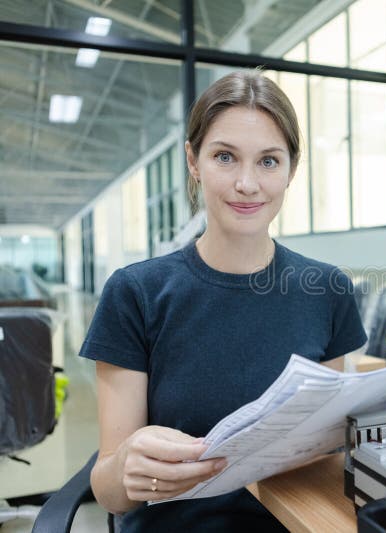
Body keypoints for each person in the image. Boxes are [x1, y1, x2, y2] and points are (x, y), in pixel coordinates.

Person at [79, 70, 368, 532]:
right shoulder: (136, 293)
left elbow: (323, 451)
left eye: (269, 161)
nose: (247, 183)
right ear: (194, 161)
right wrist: (125, 468)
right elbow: (110, 492)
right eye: (225, 157)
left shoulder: (328, 289)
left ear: (292, 168)